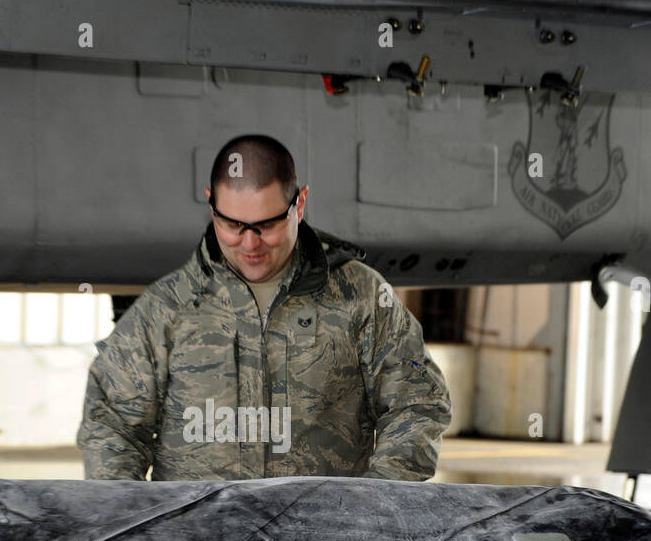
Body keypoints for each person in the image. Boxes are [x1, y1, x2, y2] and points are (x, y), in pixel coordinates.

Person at [78, 134, 451, 480]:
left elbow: (418, 401)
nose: (250, 243)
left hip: (321, 540)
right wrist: (137, 528)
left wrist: (372, 504)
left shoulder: (361, 295)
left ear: (299, 204)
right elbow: (111, 424)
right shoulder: (167, 307)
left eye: (267, 225)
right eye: (232, 224)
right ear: (211, 203)